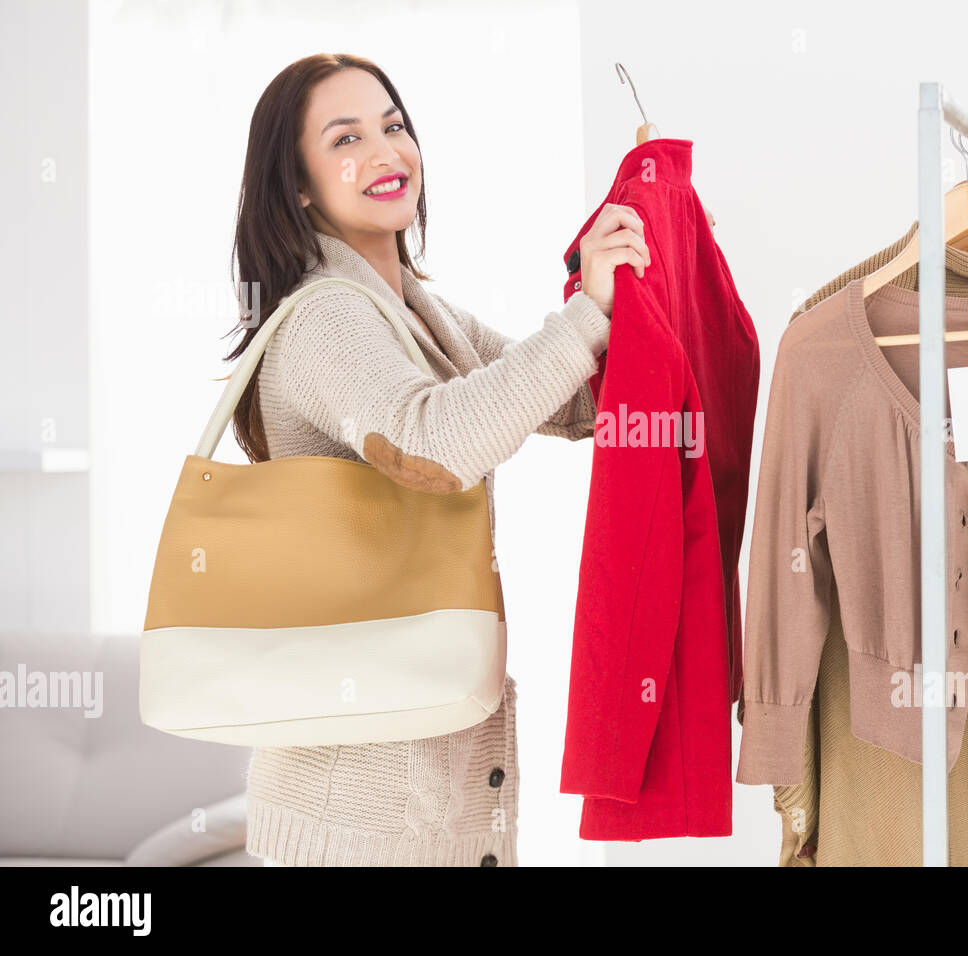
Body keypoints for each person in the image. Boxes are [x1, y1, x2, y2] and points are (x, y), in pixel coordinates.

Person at [221, 53, 649, 866]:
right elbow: (436, 445)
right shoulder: (323, 320)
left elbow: (571, 402)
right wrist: (588, 311)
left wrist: (630, 289)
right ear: (300, 185)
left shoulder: (414, 308)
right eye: (347, 137)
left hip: (427, 800)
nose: (388, 151)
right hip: (355, 822)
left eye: (394, 125)